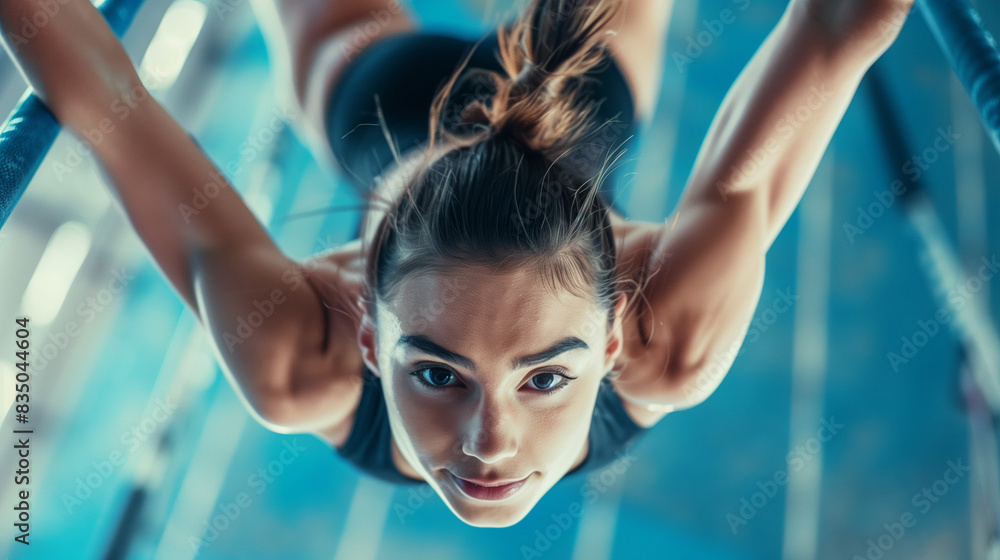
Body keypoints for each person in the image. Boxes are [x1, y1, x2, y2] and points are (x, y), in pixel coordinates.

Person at [0, 0, 915, 528]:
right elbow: (841, 28)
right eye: (438, 371)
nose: (489, 445)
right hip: (575, 87)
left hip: (381, 102)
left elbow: (107, 101)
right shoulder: (675, 340)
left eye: (548, 374)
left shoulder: (293, 359)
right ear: (370, 331)